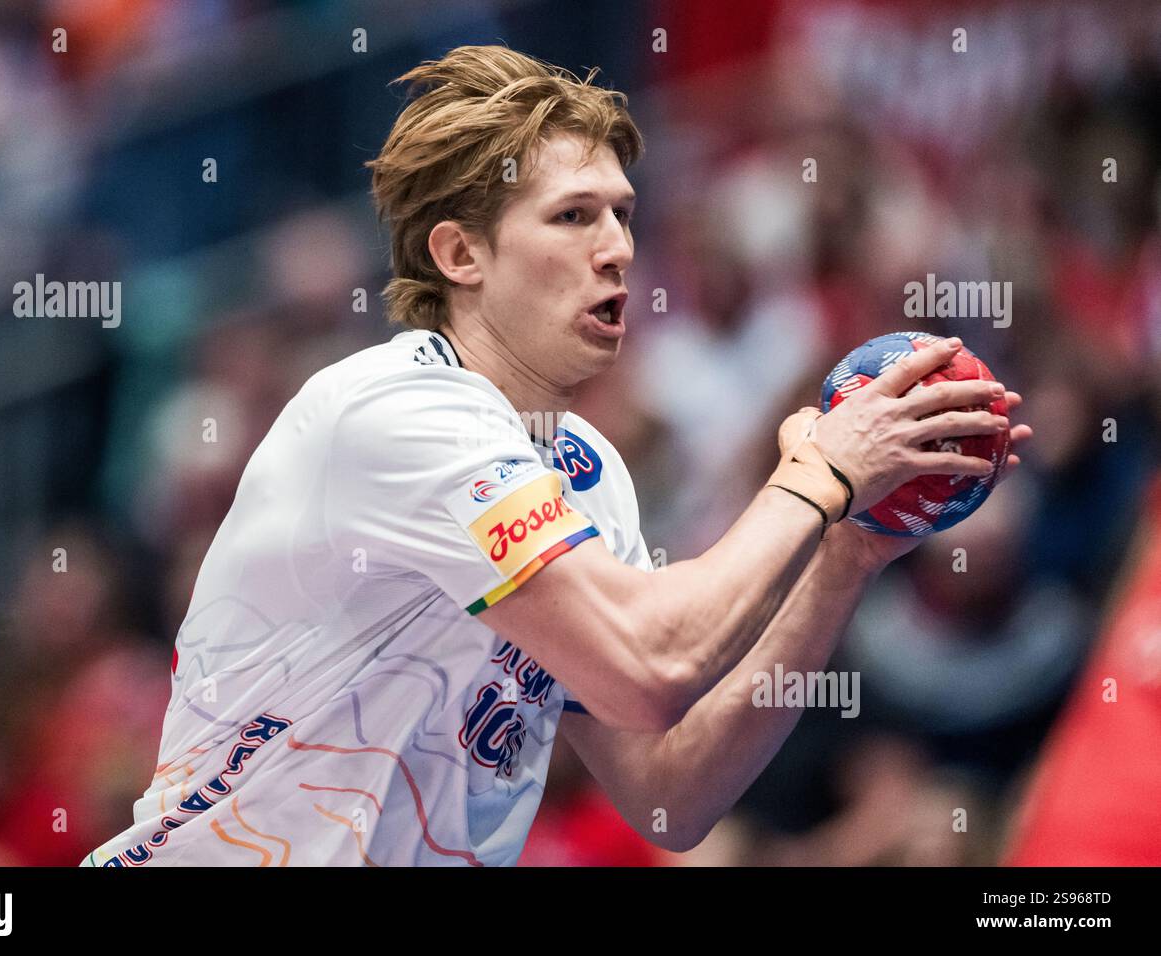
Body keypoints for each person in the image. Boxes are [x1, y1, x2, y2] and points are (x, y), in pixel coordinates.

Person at [83, 45, 1030, 866]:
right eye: (574, 216)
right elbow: (649, 663)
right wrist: (821, 472)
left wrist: (843, 555)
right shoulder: (396, 411)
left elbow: (672, 795)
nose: (618, 247)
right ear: (461, 254)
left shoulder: (586, 470)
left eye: (622, 214)